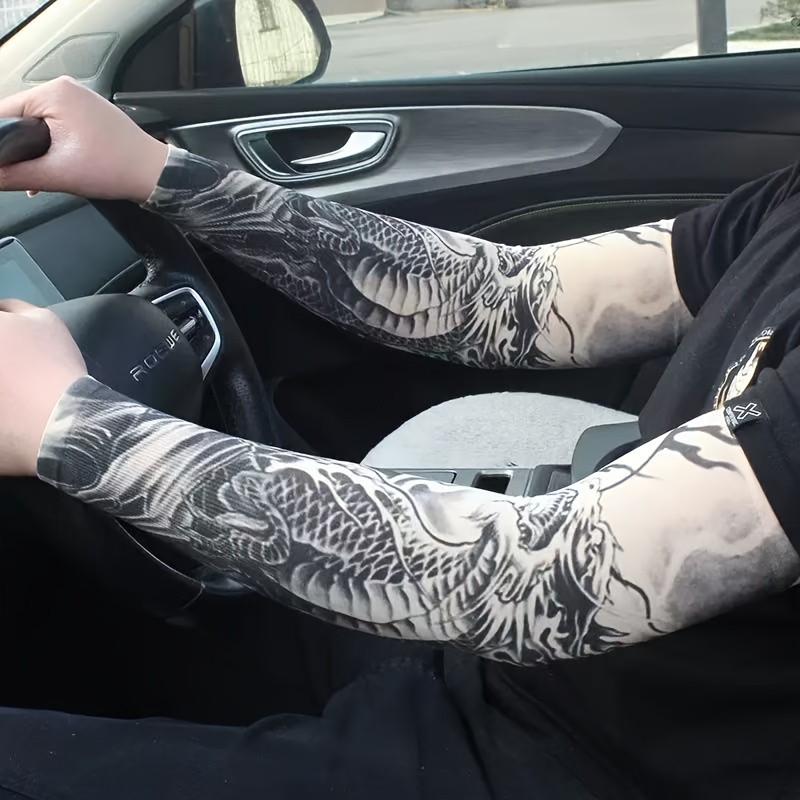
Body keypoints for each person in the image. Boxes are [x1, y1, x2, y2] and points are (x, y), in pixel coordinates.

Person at [0, 75, 797, 800]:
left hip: (607, 760)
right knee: (121, 648)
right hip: (531, 669)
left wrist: (71, 427)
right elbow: (514, 299)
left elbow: (552, 579)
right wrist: (154, 170)